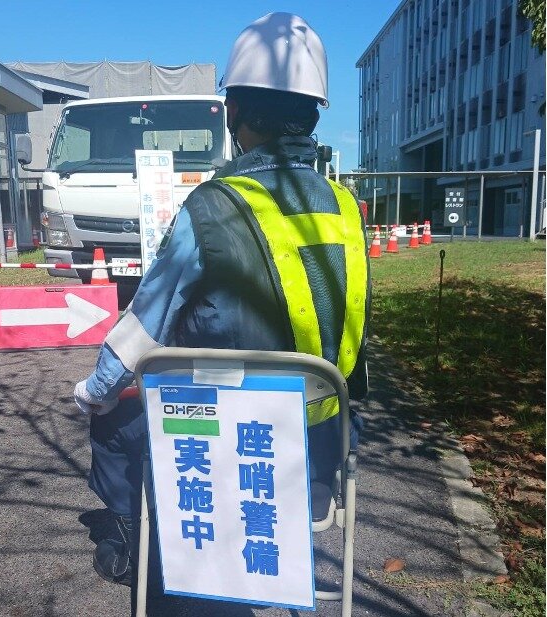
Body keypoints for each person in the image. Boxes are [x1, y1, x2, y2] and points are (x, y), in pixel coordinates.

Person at [74, 11, 370, 587]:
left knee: (112, 414)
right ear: (313, 112)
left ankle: (128, 541)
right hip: (320, 444)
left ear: (236, 112)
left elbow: (144, 327)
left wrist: (95, 390)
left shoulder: (211, 207)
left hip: (226, 448)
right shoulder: (345, 208)